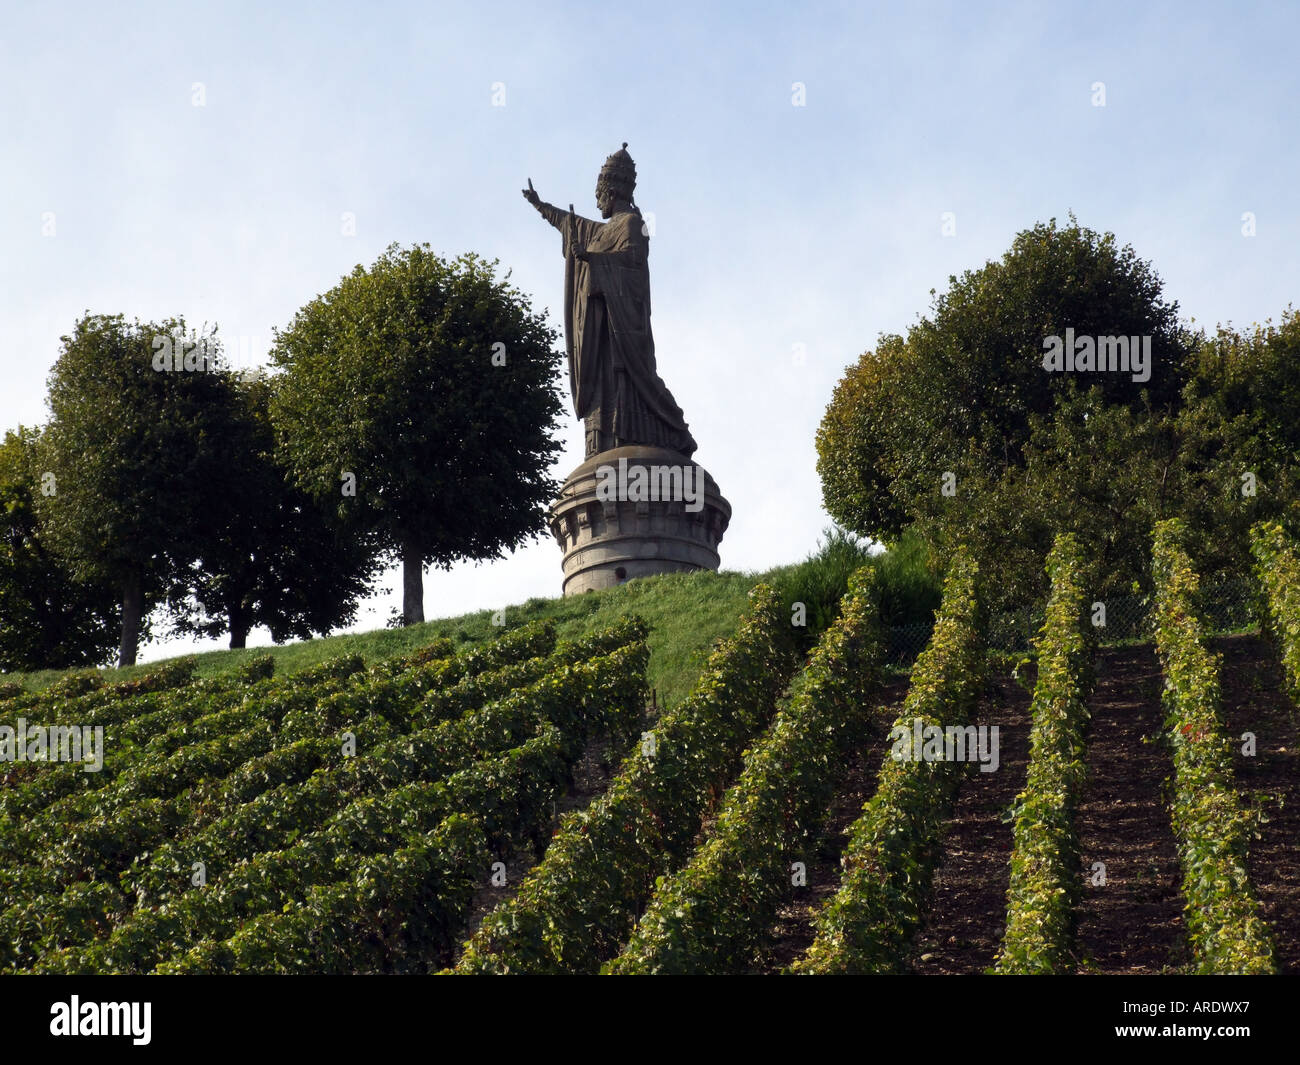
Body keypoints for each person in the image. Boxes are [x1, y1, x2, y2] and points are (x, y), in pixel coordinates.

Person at [523, 144, 697, 459]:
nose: (596, 200)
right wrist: (541, 206)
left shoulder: (631, 224)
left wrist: (592, 258)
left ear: (612, 191)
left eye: (599, 193)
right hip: (602, 331)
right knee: (605, 383)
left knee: (634, 377)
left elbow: (631, 263)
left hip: (623, 329)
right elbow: (570, 224)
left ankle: (671, 429)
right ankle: (607, 440)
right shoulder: (603, 230)